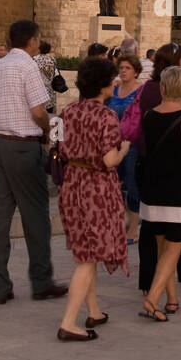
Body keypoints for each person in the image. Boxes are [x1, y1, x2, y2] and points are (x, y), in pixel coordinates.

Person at [0, 19, 68, 305]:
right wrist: (48, 129)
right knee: (36, 217)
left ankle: (0, 285)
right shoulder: (28, 66)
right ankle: (41, 281)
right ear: (32, 40)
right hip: (22, 147)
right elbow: (38, 110)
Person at [56, 57, 131, 341]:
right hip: (96, 188)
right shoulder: (107, 117)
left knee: (87, 249)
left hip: (72, 183)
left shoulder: (67, 112)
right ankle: (69, 322)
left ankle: (94, 310)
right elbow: (109, 159)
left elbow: (57, 148)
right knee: (88, 257)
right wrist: (123, 149)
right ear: (102, 85)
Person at [137, 66, 181, 321]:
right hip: (179, 194)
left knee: (161, 248)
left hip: (153, 192)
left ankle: (172, 299)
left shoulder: (148, 116)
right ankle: (152, 300)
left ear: (163, 89)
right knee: (174, 249)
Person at [106, 54, 144, 243]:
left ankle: (133, 228)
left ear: (136, 71)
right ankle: (124, 222)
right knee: (116, 184)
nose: (123, 70)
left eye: (127, 68)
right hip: (113, 143)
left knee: (132, 183)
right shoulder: (114, 88)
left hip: (132, 145)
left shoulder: (140, 90)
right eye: (121, 67)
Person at [35, 40, 61, 115]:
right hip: (50, 92)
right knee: (49, 117)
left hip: (38, 94)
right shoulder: (52, 59)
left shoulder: (34, 60)